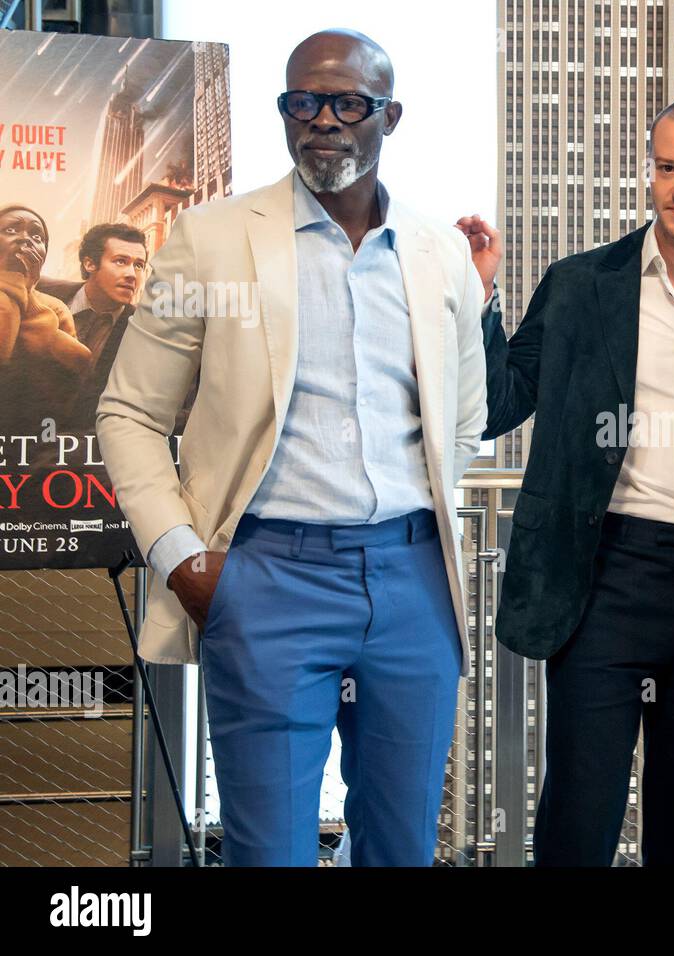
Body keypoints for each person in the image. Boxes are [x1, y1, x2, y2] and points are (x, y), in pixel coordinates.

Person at [96, 29, 487, 866]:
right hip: (265, 578)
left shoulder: (439, 252)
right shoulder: (211, 240)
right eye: (303, 102)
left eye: (349, 103)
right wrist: (183, 558)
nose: (324, 122)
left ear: (391, 117)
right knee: (267, 849)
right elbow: (128, 414)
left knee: (403, 847)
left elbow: (462, 421)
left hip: (413, 582)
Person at [462, 96, 674, 866]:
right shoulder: (581, 284)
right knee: (578, 814)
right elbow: (498, 405)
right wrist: (480, 300)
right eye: (667, 167)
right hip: (602, 575)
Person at [40, 223, 149, 432]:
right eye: (120, 261)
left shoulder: (144, 330)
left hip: (85, 447)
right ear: (89, 263)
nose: (132, 275)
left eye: (139, 265)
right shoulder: (42, 292)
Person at [0, 204, 91, 434]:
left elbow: (78, 366)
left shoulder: (54, 307)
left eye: (36, 235)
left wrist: (26, 295)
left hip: (34, 431)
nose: (26, 239)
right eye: (11, 230)